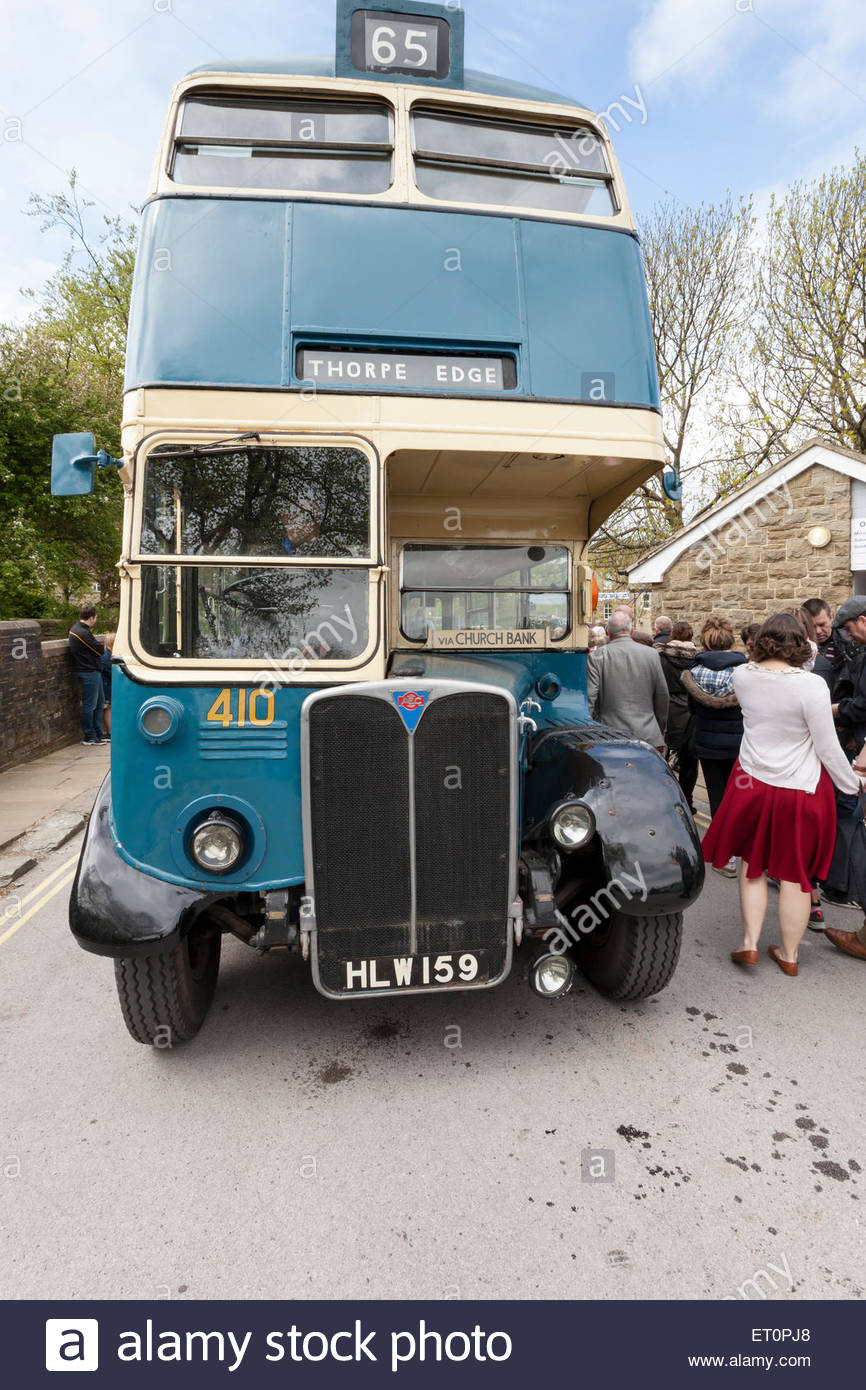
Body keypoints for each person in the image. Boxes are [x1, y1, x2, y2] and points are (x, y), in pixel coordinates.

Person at [702, 613, 862, 976]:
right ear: (803, 645)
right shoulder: (811, 685)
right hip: (800, 787)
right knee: (795, 875)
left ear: (759, 641)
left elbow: (764, 668)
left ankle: (749, 943)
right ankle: (789, 954)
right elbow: (826, 746)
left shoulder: (743, 676)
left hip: (751, 782)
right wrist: (852, 784)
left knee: (752, 865)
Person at [680, 616, 746, 858]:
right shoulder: (744, 672)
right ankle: (739, 843)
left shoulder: (694, 673)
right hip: (739, 744)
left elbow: (693, 710)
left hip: (707, 743)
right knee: (737, 795)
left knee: (716, 796)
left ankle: (724, 854)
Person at [587, 611, 669, 748]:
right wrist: (659, 727)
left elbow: (590, 698)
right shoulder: (652, 654)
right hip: (648, 734)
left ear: (609, 633)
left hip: (609, 734)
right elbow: (662, 696)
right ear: (631, 631)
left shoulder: (597, 656)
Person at [660, 620, 698, 811]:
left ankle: (664, 796)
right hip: (691, 707)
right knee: (690, 759)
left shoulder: (662, 656)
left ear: (672, 635)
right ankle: (688, 800)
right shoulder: (698, 658)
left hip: (669, 707)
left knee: (664, 754)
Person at [68, 606, 108, 746]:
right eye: (96, 618)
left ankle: (98, 732)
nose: (95, 620)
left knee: (99, 704)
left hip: (92, 671)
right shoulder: (81, 632)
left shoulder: (80, 630)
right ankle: (89, 735)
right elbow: (98, 650)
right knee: (90, 705)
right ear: (91, 617)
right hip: (88, 671)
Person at [100, 632, 115, 739]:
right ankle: (110, 732)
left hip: (108, 685)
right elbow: (111, 673)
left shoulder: (109, 655)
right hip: (107, 687)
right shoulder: (107, 657)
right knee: (108, 708)